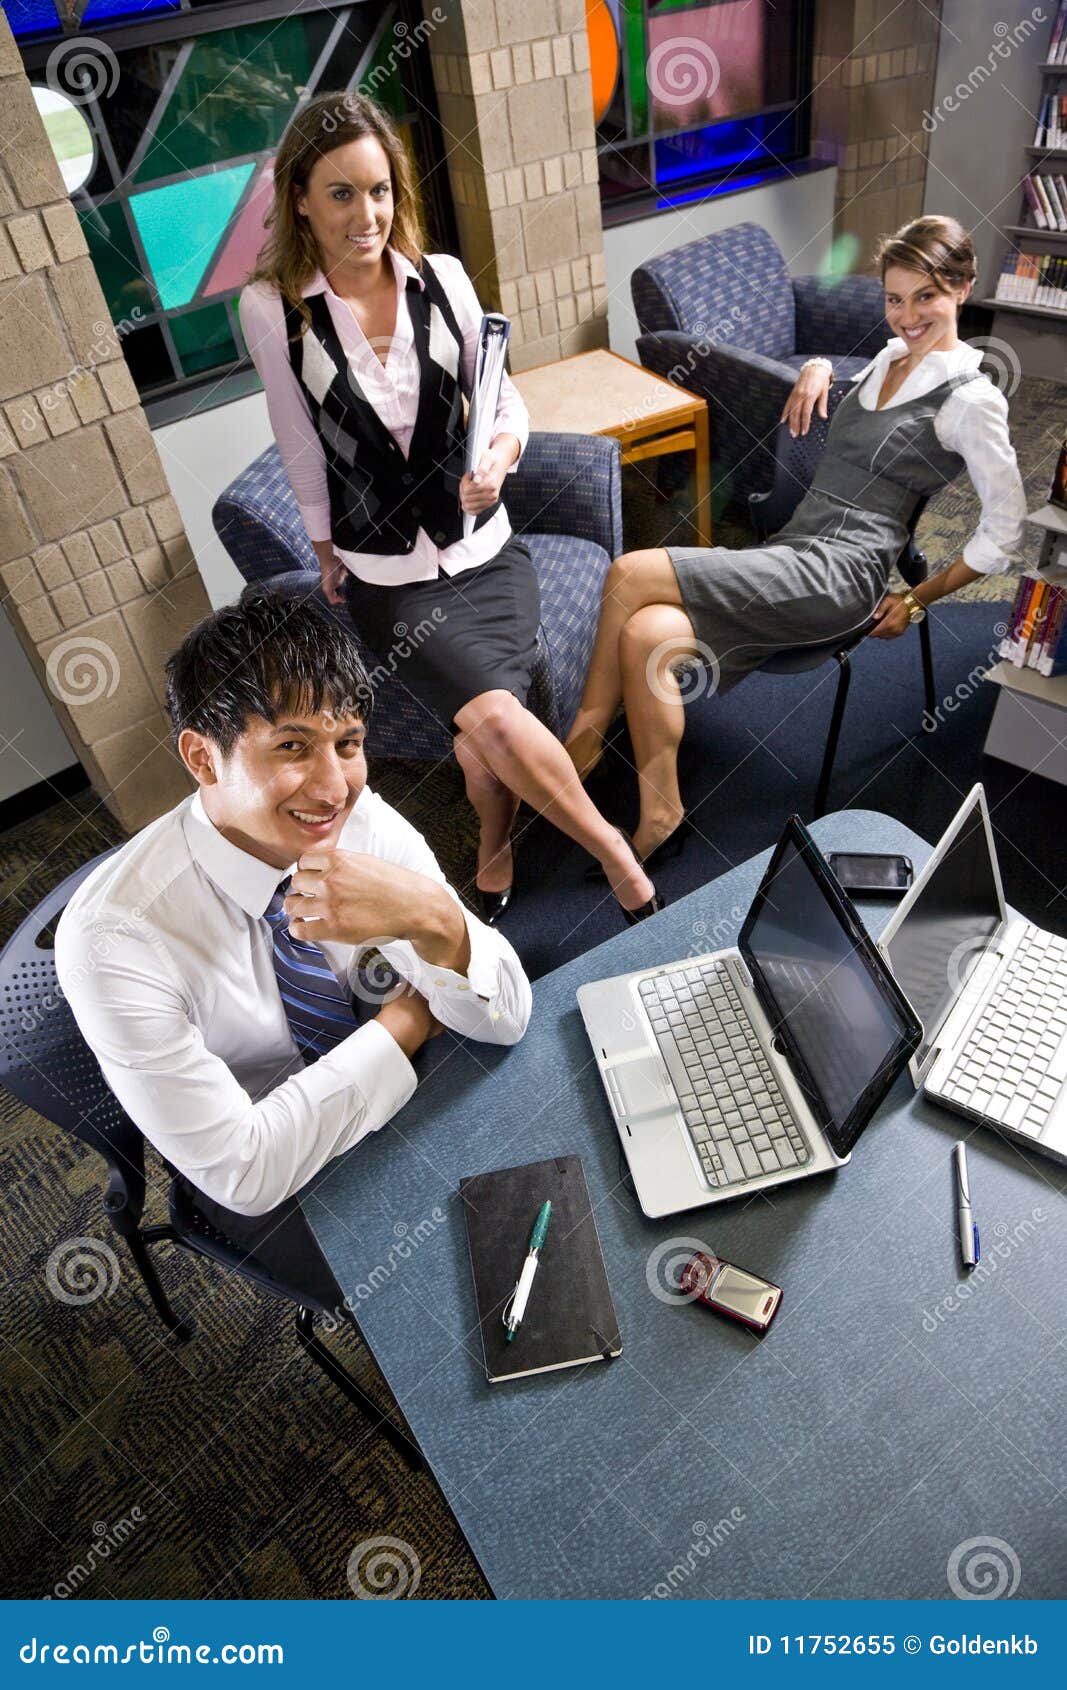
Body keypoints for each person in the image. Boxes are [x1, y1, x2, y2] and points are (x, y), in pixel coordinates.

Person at [239, 91, 661, 927]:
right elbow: (296, 436)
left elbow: (502, 401)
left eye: (381, 190)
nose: (368, 215)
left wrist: (500, 460)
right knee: (496, 717)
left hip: (488, 555)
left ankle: (493, 845)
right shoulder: (272, 309)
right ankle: (616, 854)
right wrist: (324, 546)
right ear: (299, 199)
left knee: (479, 750)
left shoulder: (445, 281)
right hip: (387, 576)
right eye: (342, 193)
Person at [56, 593, 533, 1304]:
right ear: (201, 758)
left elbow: (508, 1016)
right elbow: (244, 1172)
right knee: (428, 1303)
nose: (334, 786)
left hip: (367, 1091)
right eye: (291, 747)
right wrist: (400, 1024)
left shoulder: (356, 814)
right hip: (275, 1158)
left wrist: (434, 915)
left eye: (348, 743)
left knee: (538, 1175)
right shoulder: (114, 940)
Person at [564, 215, 1028, 866]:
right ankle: (661, 808)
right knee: (646, 636)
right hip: (794, 546)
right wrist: (814, 369)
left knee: (630, 573)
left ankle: (579, 746)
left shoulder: (971, 400)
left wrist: (918, 598)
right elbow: (851, 406)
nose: (907, 315)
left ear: (962, 287)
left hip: (840, 577)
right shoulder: (891, 357)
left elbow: (1002, 532)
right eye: (894, 299)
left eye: (925, 296)